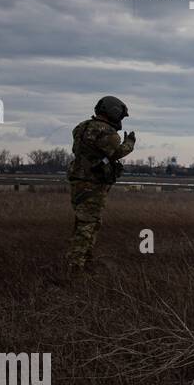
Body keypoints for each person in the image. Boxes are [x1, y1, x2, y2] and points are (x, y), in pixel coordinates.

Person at [66, 96, 136, 271]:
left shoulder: (81, 127)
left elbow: (79, 150)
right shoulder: (107, 132)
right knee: (88, 224)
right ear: (112, 112)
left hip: (78, 180)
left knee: (85, 222)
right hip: (93, 183)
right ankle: (76, 266)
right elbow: (115, 153)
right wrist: (130, 143)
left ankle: (83, 261)